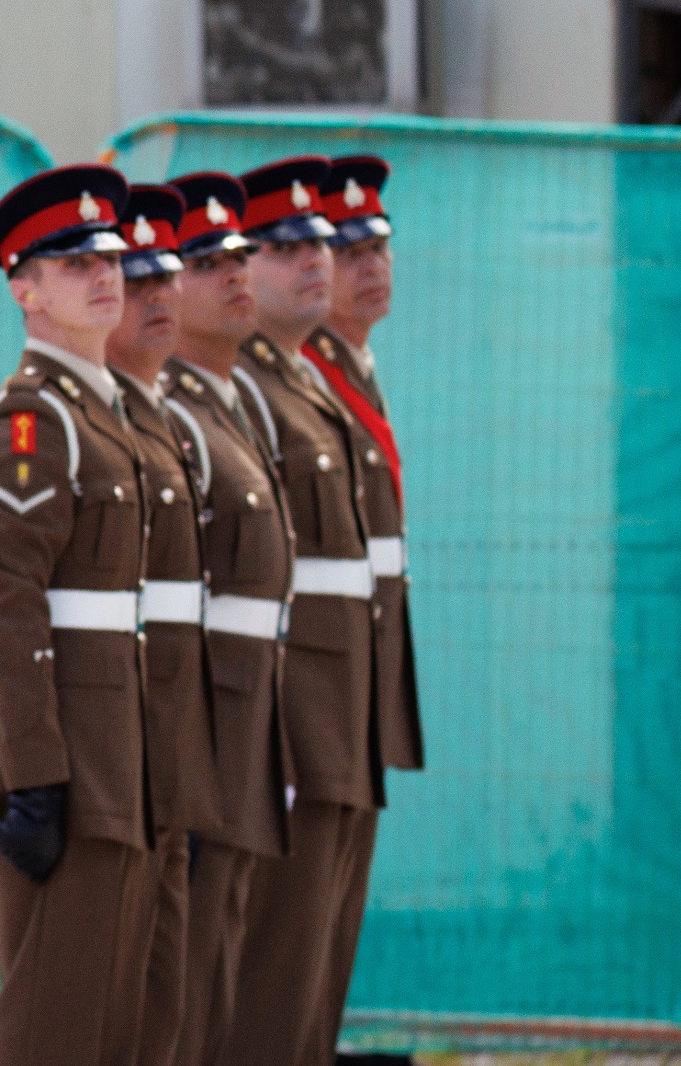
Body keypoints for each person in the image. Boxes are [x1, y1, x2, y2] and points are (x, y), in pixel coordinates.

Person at [0, 164, 160, 1066]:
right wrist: (37, 777)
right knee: (49, 1026)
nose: (105, 275)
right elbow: (9, 603)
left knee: (109, 1029)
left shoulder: (105, 411)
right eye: (76, 263)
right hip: (67, 768)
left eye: (109, 258)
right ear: (24, 288)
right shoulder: (34, 420)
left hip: (118, 762)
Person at [218, 156, 379, 1066]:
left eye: (322, 244)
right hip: (293, 715)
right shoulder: (246, 385)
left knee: (315, 972)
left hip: (341, 705)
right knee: (273, 975)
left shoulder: (308, 379)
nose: (317, 260)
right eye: (286, 247)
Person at [156, 172, 296, 1066]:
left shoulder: (231, 400)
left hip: (247, 723)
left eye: (239, 257)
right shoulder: (175, 413)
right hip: (202, 728)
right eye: (206, 263)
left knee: (218, 978)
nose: (234, 275)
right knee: (183, 987)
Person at [304, 155, 423, 1063]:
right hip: (313, 697)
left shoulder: (353, 368)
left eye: (377, 245)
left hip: (359, 683)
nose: (369, 264)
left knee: (326, 935)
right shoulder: (302, 376)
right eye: (347, 250)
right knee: (293, 935)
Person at [102, 182, 222, 1065]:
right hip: (105, 755)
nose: (155, 295)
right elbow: (17, 606)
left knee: (162, 1008)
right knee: (80, 1008)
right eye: (128, 277)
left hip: (169, 740)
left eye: (163, 276)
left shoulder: (158, 419)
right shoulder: (50, 420)